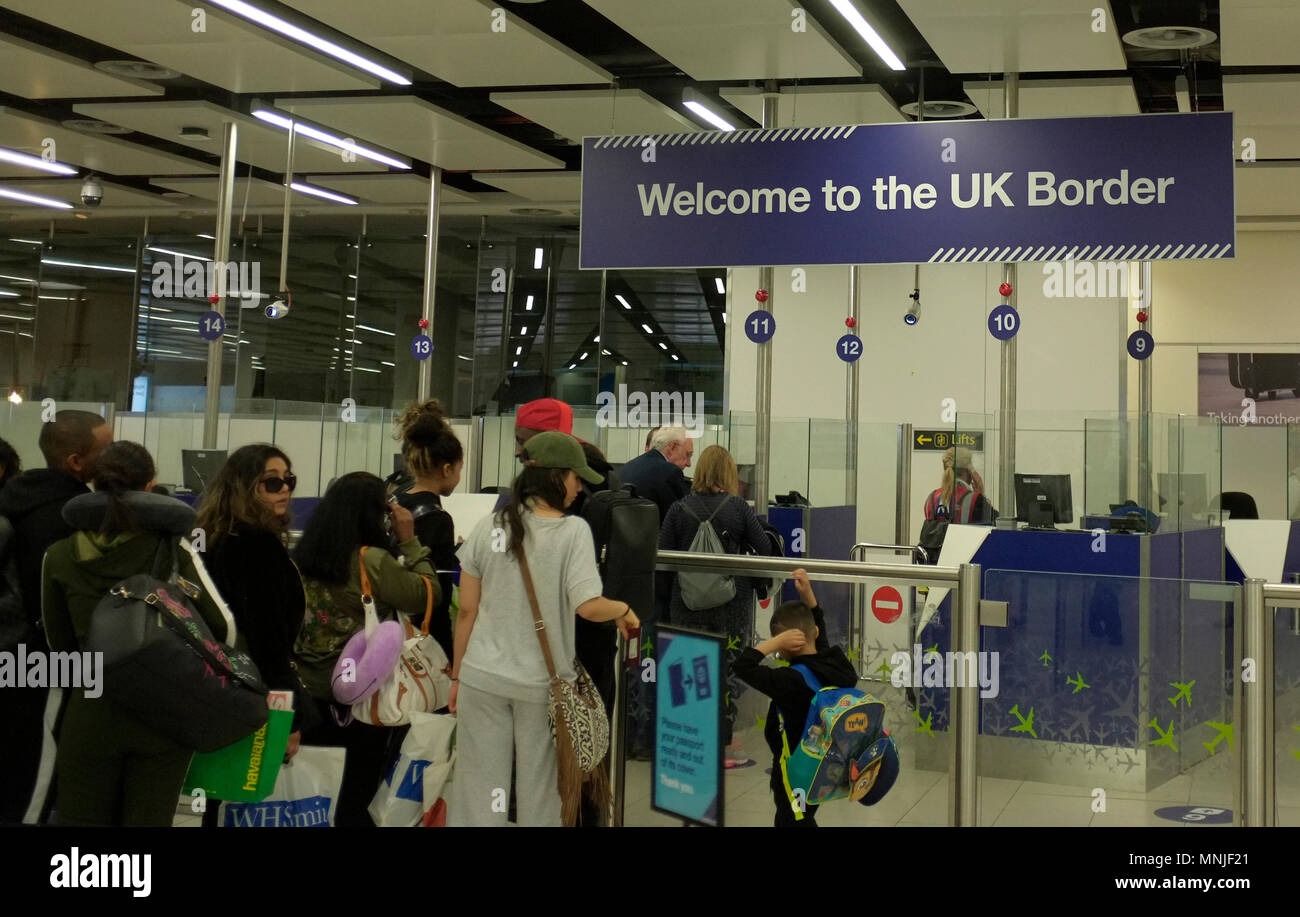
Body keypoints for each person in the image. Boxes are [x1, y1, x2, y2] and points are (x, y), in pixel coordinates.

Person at [449, 431, 639, 827]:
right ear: (556, 476)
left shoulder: (490, 527)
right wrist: (622, 608)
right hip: (541, 686)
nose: (579, 487)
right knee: (540, 792)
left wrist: (456, 677)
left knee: (480, 790)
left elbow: (467, 611)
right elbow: (588, 606)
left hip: (481, 678)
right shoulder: (572, 533)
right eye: (575, 478)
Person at [41, 441, 233, 826]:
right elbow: (222, 629)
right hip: (161, 710)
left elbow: (57, 644)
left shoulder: (59, 554)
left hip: (90, 709)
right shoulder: (174, 550)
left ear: (94, 484)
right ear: (150, 487)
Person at [292, 472, 440, 827]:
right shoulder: (371, 559)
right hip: (360, 694)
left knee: (313, 786)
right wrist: (409, 542)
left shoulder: (303, 553)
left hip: (308, 692)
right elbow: (426, 594)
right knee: (355, 788)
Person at [0, 409, 111, 824]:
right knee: (38, 769)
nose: (112, 455)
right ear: (76, 462)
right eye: (106, 448)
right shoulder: (66, 519)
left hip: (11, 655)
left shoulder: (15, 497)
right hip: (45, 662)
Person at [197, 445, 312, 787]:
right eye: (272, 483)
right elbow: (268, 638)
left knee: (220, 792)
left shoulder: (212, 536)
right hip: (253, 691)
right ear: (244, 487)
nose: (286, 489)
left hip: (215, 685)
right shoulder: (256, 546)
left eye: (288, 480)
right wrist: (288, 719)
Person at [658, 443, 776, 766]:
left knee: (691, 672)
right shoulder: (737, 508)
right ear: (728, 473)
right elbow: (764, 548)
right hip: (731, 605)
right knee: (726, 671)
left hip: (686, 606)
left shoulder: (678, 509)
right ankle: (722, 746)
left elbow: (663, 559)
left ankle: (691, 740)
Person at [732, 569, 857, 827]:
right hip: (825, 766)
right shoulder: (833, 663)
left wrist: (772, 644)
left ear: (786, 644)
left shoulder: (789, 682)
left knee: (792, 820)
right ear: (816, 634)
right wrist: (809, 597)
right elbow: (818, 632)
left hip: (794, 770)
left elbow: (743, 666)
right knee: (803, 817)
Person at [393, 399, 463, 660]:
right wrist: (448, 655)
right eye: (459, 468)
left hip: (391, 627)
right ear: (447, 469)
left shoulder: (397, 498)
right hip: (422, 639)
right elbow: (438, 598)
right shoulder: (438, 518)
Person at [618, 425, 693, 523]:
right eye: (687, 454)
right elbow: (678, 521)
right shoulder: (670, 472)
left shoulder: (627, 466)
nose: (689, 463)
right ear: (672, 446)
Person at [922, 446, 996, 527]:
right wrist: (981, 495)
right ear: (968, 471)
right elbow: (999, 523)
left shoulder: (931, 498)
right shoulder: (974, 499)